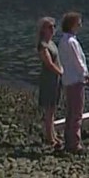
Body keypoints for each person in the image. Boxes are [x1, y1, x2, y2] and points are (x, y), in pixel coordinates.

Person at [57, 12, 89, 154]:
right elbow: (78, 61)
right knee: (77, 112)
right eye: (78, 23)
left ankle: (68, 140)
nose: (80, 25)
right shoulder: (71, 42)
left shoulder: (63, 41)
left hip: (67, 79)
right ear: (72, 25)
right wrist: (86, 75)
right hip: (75, 80)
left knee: (70, 111)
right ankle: (74, 143)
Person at [35, 17, 63, 149]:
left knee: (53, 107)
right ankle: (49, 136)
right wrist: (61, 72)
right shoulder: (43, 45)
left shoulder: (51, 42)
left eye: (54, 26)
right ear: (43, 29)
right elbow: (49, 64)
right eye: (49, 27)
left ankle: (53, 133)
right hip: (48, 79)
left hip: (55, 78)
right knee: (49, 109)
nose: (53, 29)